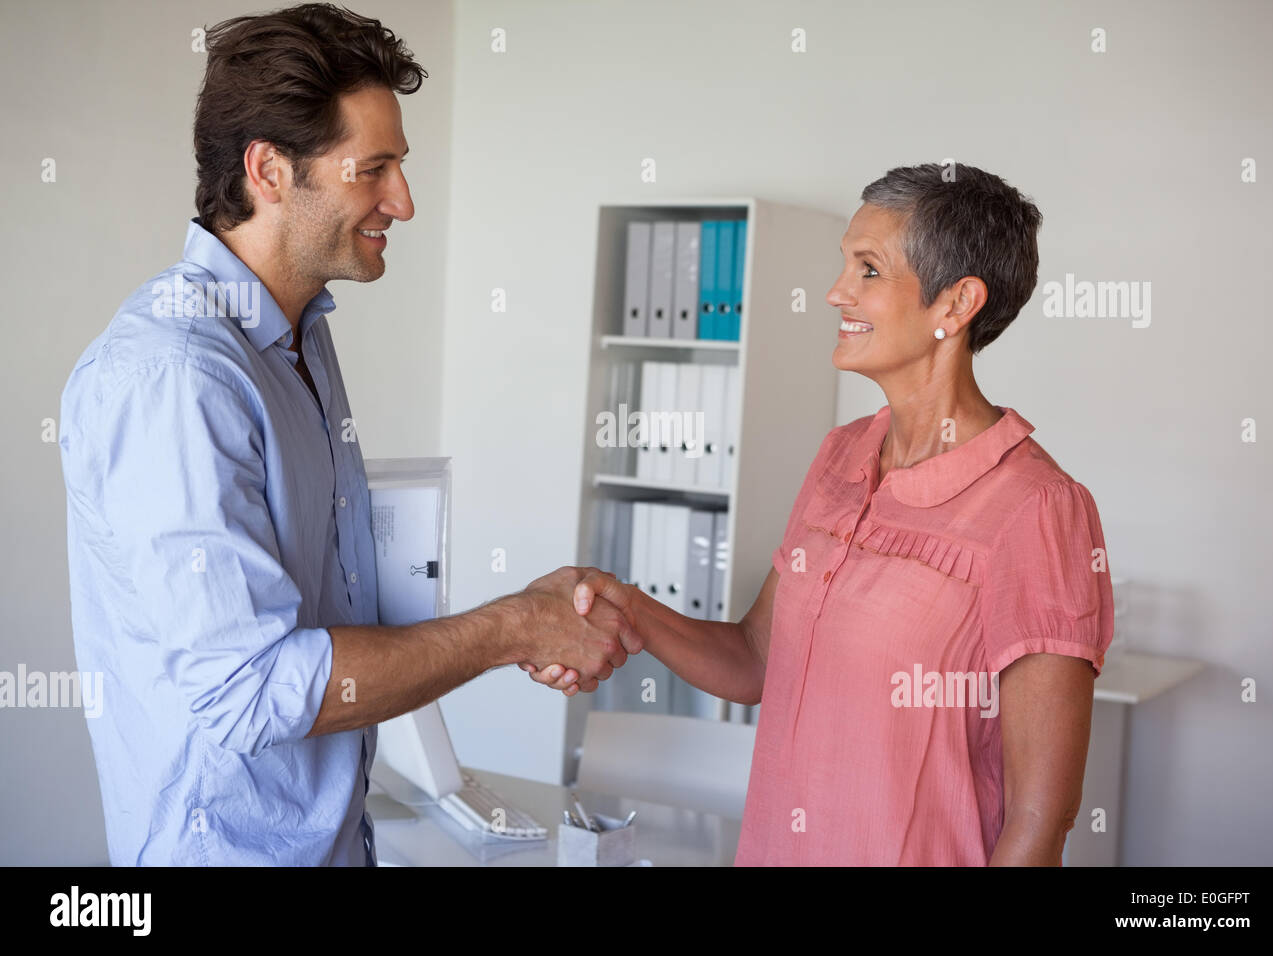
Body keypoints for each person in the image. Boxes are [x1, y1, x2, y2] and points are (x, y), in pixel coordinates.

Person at [57, 3, 639, 867]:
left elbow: (327, 615)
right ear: (269, 171)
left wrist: (537, 618)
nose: (402, 201)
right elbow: (250, 689)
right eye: (375, 170)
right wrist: (513, 629)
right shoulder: (174, 376)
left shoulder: (302, 331)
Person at [527, 163, 1114, 866]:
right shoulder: (842, 456)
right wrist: (626, 608)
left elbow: (1040, 821)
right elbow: (757, 660)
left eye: (868, 269)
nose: (837, 292)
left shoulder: (1039, 509)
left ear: (955, 305)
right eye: (845, 265)